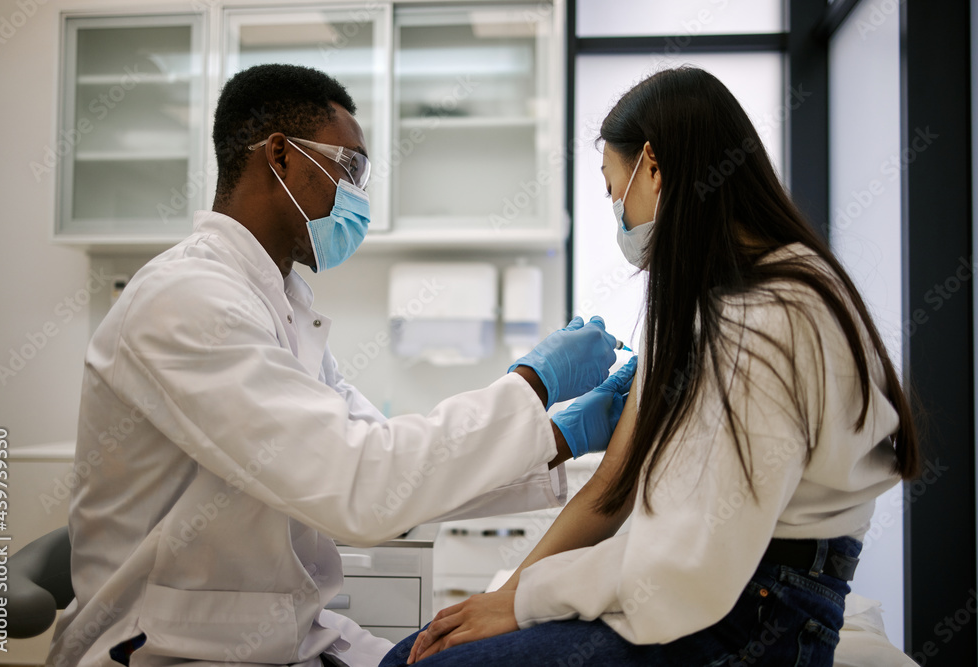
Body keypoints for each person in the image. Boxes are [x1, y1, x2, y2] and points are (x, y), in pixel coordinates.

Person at [46, 64, 635, 667]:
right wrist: (536, 384)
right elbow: (360, 487)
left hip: (284, 637)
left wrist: (563, 436)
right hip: (169, 649)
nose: (359, 195)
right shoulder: (187, 300)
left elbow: (384, 461)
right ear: (279, 155)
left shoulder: (280, 303)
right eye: (349, 167)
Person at [381, 66, 921, 666]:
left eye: (617, 193)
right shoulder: (708, 305)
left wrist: (524, 601)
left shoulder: (774, 314)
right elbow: (612, 485)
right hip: (715, 590)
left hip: (755, 612)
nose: (620, 216)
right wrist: (507, 598)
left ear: (654, 167)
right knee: (414, 652)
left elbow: (691, 564)